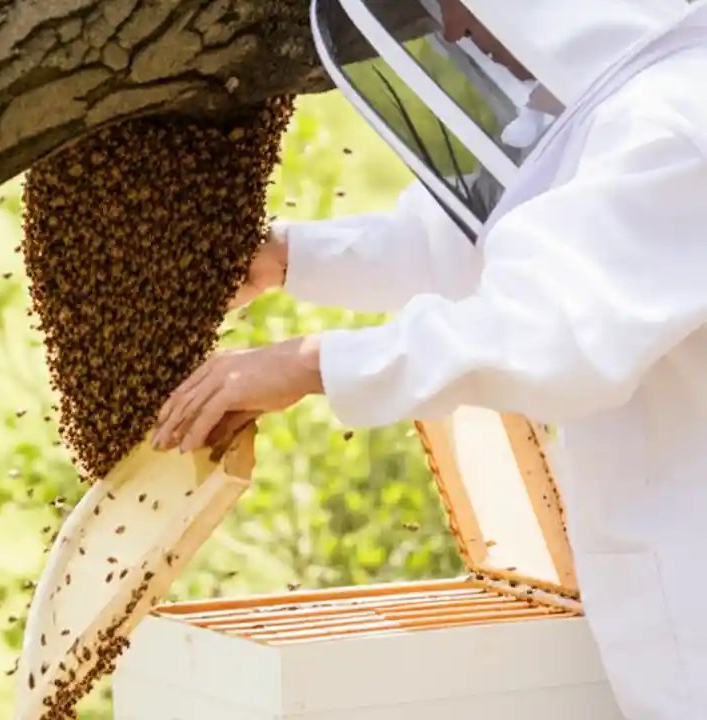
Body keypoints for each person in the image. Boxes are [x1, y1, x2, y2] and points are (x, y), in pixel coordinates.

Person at [150, 0, 707, 717]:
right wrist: (290, 257)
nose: (450, 30)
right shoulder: (622, 106)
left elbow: (550, 334)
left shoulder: (675, 124)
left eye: (454, 4)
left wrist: (313, 364)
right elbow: (493, 237)